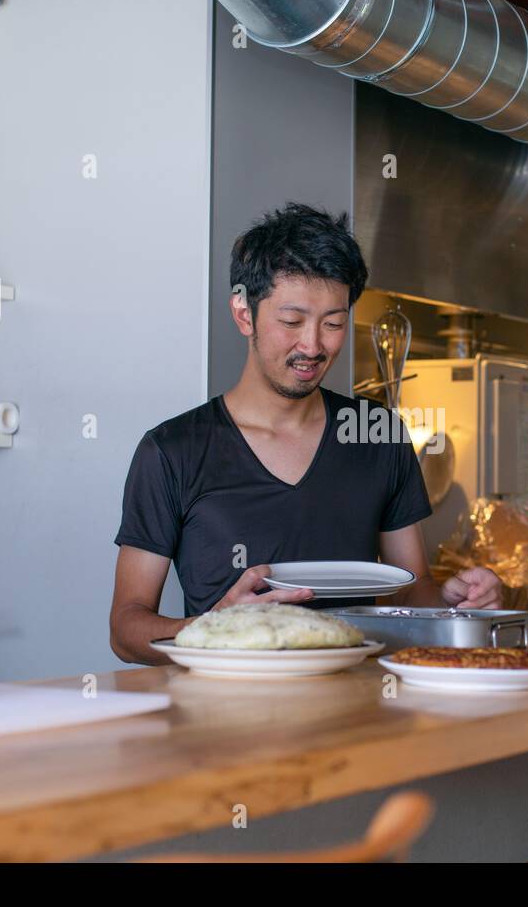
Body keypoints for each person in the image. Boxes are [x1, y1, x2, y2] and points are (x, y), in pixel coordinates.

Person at [109, 203, 502, 664]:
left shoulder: (377, 434)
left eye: (333, 323)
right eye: (292, 322)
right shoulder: (173, 450)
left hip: (359, 709)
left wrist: (458, 605)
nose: (313, 346)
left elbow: (413, 595)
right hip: (225, 718)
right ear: (244, 314)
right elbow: (126, 628)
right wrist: (209, 628)